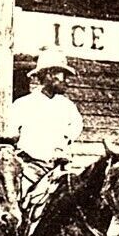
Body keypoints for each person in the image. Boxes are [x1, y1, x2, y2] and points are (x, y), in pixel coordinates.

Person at [9, 47, 82, 224]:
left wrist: (63, 144)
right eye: (62, 74)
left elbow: (75, 128)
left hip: (59, 170)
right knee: (22, 208)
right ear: (49, 75)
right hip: (30, 170)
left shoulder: (68, 107)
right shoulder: (23, 105)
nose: (66, 81)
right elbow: (11, 135)